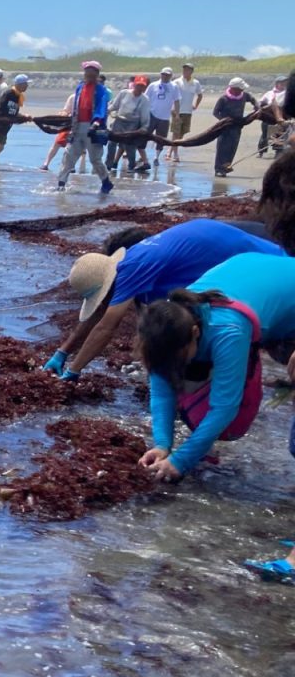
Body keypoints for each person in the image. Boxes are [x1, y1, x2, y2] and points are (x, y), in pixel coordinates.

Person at [43, 219, 285, 378]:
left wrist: (74, 371)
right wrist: (63, 352)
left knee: (268, 328)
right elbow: (100, 313)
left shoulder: (133, 266)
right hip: (222, 251)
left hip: (256, 257)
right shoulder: (132, 262)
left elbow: (106, 326)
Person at [135, 252, 295, 488]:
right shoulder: (164, 323)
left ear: (196, 333)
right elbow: (161, 390)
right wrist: (162, 446)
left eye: (178, 357)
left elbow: (225, 406)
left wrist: (181, 460)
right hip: (253, 273)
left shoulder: (228, 331)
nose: (173, 364)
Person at [57, 61, 113, 192]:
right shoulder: (80, 87)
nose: (89, 76)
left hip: (93, 127)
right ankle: (61, 184)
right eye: (87, 73)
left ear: (97, 75)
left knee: (95, 159)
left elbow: (101, 107)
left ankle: (106, 182)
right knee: (69, 155)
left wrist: (97, 122)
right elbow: (76, 105)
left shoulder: (101, 90)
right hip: (77, 126)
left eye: (92, 74)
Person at [105, 75, 152, 176]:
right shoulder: (124, 93)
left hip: (132, 124)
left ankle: (131, 166)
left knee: (130, 146)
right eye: (138, 85)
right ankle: (108, 165)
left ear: (145, 87)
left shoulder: (145, 99)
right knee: (112, 143)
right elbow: (115, 105)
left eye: (142, 86)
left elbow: (145, 115)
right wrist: (107, 110)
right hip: (119, 121)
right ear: (134, 84)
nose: (140, 88)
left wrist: (144, 127)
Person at [212, 77, 257, 176]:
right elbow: (215, 112)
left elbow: (253, 99)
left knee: (232, 147)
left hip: (237, 126)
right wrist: (223, 121)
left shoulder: (244, 96)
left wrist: (257, 106)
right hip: (224, 127)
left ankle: (226, 167)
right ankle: (218, 169)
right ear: (233, 89)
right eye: (240, 89)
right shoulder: (223, 99)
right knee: (222, 148)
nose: (242, 90)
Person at [169, 61, 204, 163]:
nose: (185, 71)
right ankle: (175, 154)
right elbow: (171, 95)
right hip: (177, 111)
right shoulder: (177, 82)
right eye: (184, 69)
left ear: (191, 71)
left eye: (188, 69)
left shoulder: (195, 83)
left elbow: (200, 95)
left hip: (188, 111)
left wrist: (196, 105)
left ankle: (170, 150)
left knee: (182, 134)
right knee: (176, 133)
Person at [144, 67, 180, 165]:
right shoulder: (153, 85)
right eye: (163, 74)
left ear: (171, 76)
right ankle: (143, 156)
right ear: (160, 74)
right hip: (152, 114)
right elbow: (145, 98)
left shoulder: (174, 86)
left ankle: (156, 157)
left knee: (161, 139)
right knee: (145, 136)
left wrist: (177, 114)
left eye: (167, 75)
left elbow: (176, 100)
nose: (165, 76)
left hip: (165, 117)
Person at [258, 77, 287, 156]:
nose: (284, 84)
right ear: (277, 84)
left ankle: (277, 152)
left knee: (279, 135)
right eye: (282, 83)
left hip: (281, 118)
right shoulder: (269, 93)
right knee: (265, 135)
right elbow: (260, 104)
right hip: (269, 118)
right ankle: (261, 151)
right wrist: (268, 106)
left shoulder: (287, 94)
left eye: (285, 83)